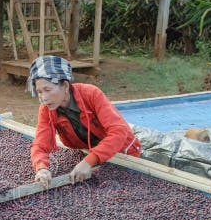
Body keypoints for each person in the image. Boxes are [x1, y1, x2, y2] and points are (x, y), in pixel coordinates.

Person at [29, 55, 141, 187]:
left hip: (122, 155)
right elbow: (41, 144)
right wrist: (41, 168)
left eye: (48, 90)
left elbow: (119, 132)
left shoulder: (91, 94)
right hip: (92, 156)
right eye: (39, 92)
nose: (44, 98)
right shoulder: (47, 110)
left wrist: (88, 161)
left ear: (65, 85)